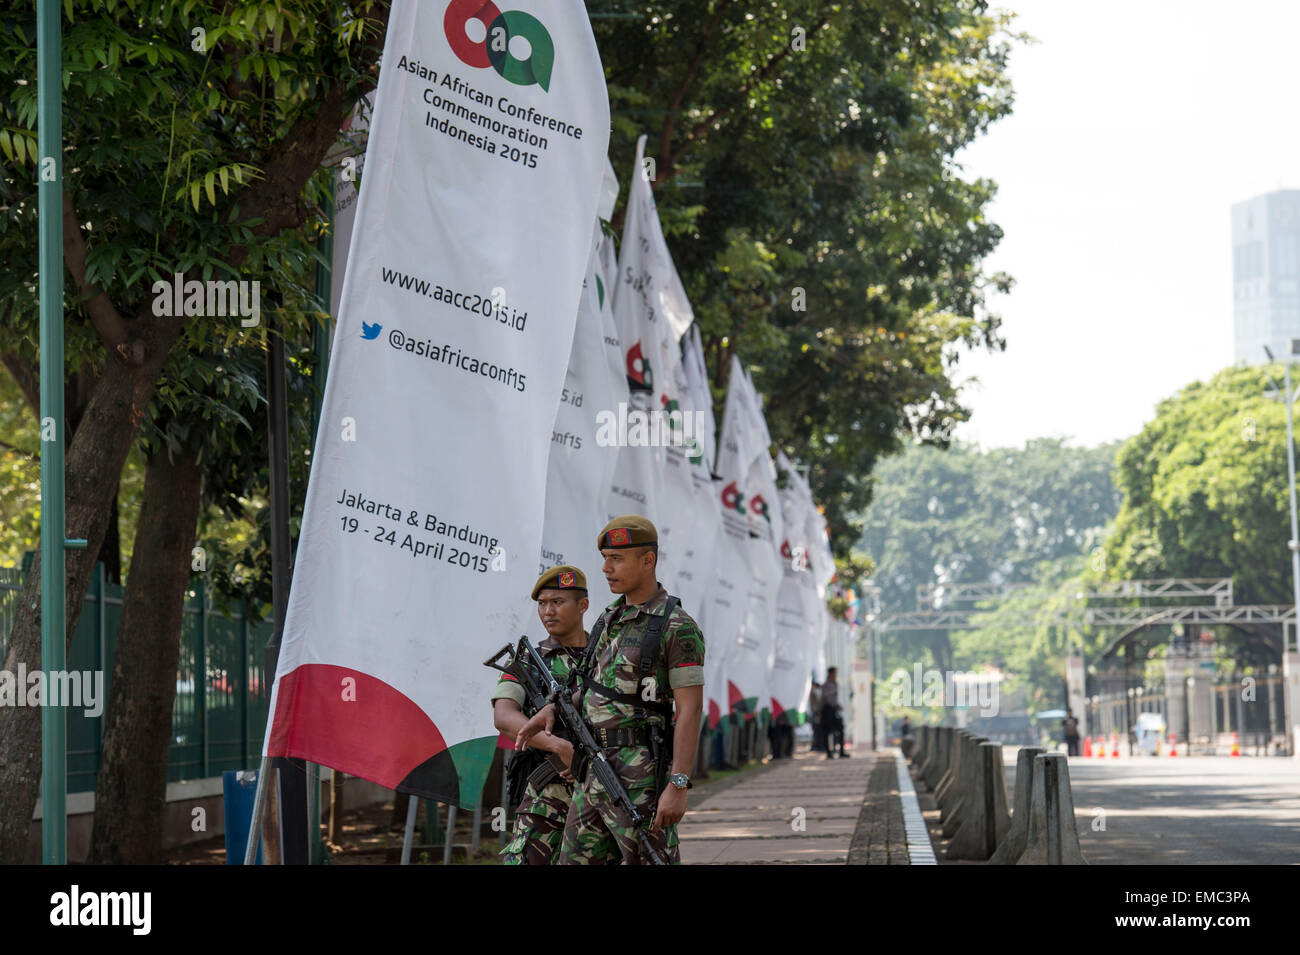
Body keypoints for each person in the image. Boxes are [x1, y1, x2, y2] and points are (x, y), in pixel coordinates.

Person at [517, 515, 705, 865]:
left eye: (616, 559)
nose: (605, 568)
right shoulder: (608, 619)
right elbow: (586, 687)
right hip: (592, 771)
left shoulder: (676, 627)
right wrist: (551, 711)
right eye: (604, 557)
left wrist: (678, 785)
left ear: (647, 560)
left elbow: (690, 711)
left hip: (639, 776)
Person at [491, 565, 589, 865]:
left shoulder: (606, 657)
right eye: (542, 604)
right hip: (544, 796)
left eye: (557, 602)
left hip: (596, 790)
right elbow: (504, 716)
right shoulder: (527, 661)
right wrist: (557, 746)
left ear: (582, 605)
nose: (548, 611)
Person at [821, 667, 848, 758]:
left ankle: (841, 752)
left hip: (834, 709)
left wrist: (837, 705)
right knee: (827, 732)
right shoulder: (826, 685)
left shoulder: (835, 684)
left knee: (840, 729)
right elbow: (825, 696)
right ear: (830, 674)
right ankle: (829, 753)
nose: (836, 675)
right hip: (827, 710)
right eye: (835, 673)